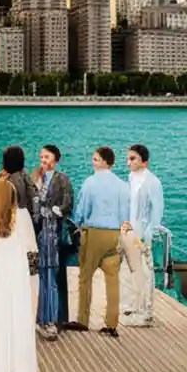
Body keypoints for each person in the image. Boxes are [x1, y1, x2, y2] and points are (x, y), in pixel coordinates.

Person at [0, 172, 37, 372]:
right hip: (18, 274)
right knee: (19, 317)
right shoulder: (22, 216)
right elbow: (31, 249)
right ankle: (21, 368)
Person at [73, 146, 130, 337]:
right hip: (114, 233)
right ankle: (112, 324)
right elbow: (125, 213)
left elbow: (82, 208)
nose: (93, 162)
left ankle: (83, 320)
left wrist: (79, 224)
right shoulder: (123, 185)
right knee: (112, 279)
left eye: (96, 159)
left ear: (105, 161)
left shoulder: (90, 183)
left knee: (85, 277)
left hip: (94, 232)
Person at [31, 145, 73, 340]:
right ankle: (38, 317)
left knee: (51, 278)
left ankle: (51, 319)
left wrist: (58, 211)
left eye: (46, 156)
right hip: (36, 234)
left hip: (52, 235)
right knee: (37, 276)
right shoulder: (35, 178)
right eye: (41, 156)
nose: (43, 160)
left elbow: (68, 204)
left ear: (55, 159)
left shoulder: (62, 179)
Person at [120, 144, 164, 327]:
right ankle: (132, 304)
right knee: (128, 268)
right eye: (128, 158)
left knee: (145, 271)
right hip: (129, 230)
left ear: (143, 162)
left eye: (133, 158)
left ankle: (146, 311)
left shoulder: (153, 181)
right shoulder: (131, 178)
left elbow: (158, 208)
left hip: (143, 232)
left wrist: (149, 233)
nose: (128, 162)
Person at [0, 146, 38, 316]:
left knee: (11, 258)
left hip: (12, 217)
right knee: (30, 256)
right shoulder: (25, 176)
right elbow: (34, 197)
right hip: (25, 219)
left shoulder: (6, 180)